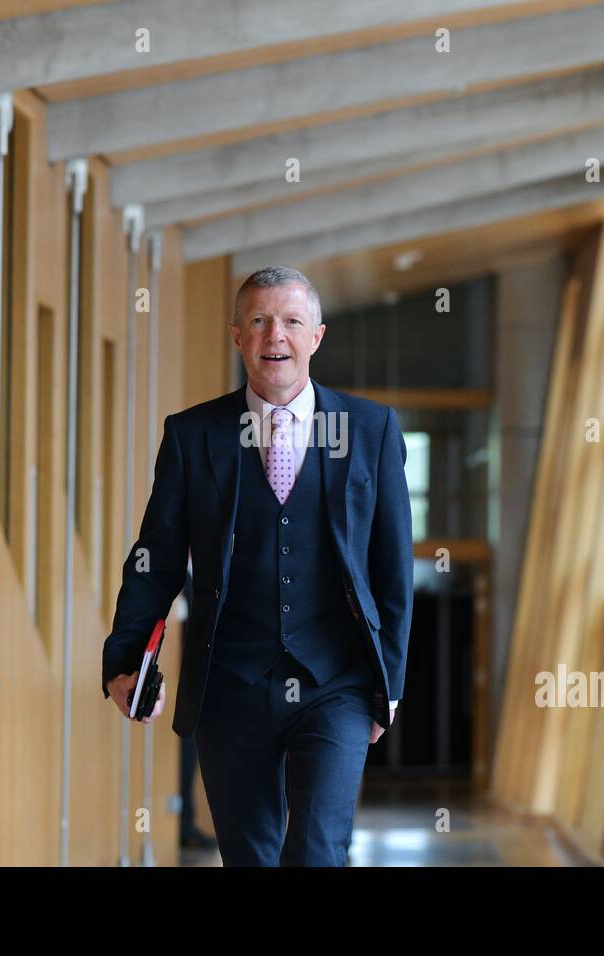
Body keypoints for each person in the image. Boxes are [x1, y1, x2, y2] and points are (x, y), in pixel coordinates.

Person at [102, 265, 413, 866]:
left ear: (316, 336)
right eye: (260, 321)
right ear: (236, 335)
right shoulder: (193, 436)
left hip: (338, 682)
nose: (277, 335)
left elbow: (392, 564)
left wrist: (390, 685)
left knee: (319, 849)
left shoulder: (370, 429)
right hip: (230, 683)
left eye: (292, 321)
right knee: (249, 857)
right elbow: (155, 557)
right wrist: (123, 657)